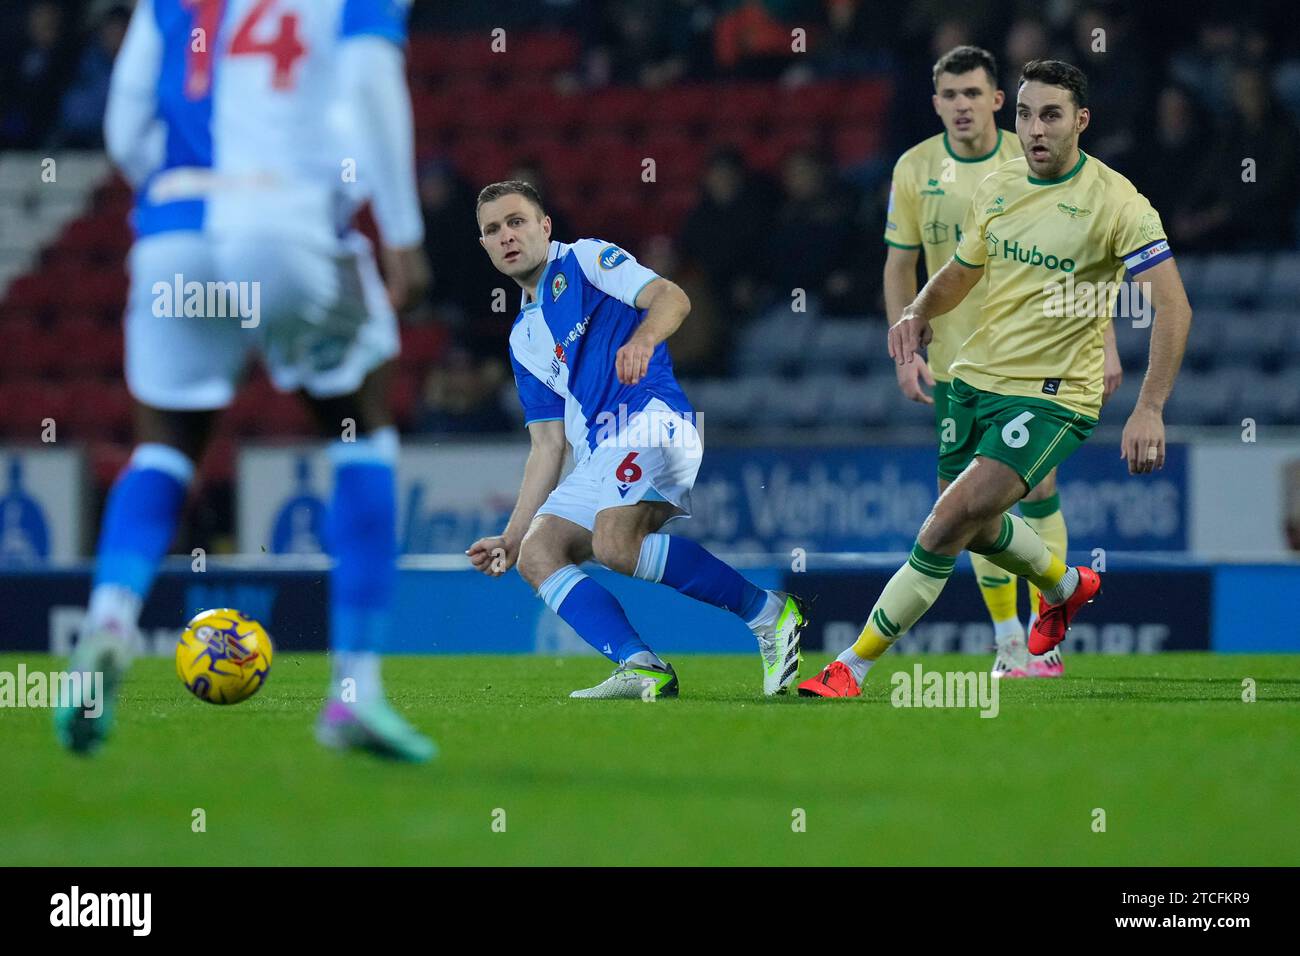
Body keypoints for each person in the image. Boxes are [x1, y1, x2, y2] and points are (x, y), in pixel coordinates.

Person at [55, 0, 435, 762]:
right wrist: (401, 232)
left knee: (163, 448)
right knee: (361, 427)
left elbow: (125, 130)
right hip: (281, 220)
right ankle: (353, 692)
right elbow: (367, 81)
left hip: (175, 231)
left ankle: (106, 623)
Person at [801, 59, 1192, 697]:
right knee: (975, 525)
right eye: (1026, 115)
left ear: (1081, 121)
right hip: (973, 380)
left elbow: (1173, 306)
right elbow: (960, 269)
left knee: (944, 521)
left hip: (1054, 397)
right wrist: (918, 311)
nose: (1035, 128)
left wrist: (1150, 408)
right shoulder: (1001, 187)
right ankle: (1065, 587)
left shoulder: (1118, 202)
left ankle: (853, 666)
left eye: (1051, 115)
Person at [467, 181, 807, 699]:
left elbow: (673, 297)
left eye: (517, 221)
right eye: (493, 230)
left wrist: (643, 340)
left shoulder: (585, 260)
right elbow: (547, 447)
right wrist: (510, 539)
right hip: (600, 453)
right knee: (539, 554)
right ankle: (641, 664)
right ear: (486, 247)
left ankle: (768, 611)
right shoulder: (522, 339)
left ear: (544, 226)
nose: (507, 235)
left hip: (651, 421)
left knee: (614, 544)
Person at [884, 45, 1122, 679]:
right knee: (964, 510)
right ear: (935, 103)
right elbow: (900, 264)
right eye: (949, 96)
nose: (961, 106)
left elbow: (1091, 260)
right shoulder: (914, 168)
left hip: (1034, 361)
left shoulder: (1035, 155)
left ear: (996, 101)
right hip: (959, 367)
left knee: (1036, 488)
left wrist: (1105, 343)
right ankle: (1010, 638)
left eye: (973, 94)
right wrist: (906, 344)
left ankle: (1048, 636)